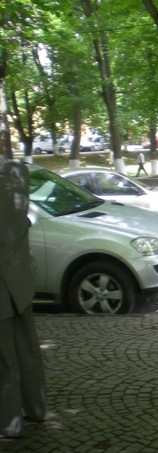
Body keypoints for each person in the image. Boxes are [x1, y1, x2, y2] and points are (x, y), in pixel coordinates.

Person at [0, 156, 47, 438]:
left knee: (5, 359)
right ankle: (36, 408)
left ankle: (10, 424)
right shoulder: (17, 171)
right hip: (19, 278)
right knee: (27, 349)